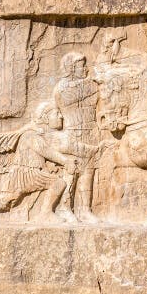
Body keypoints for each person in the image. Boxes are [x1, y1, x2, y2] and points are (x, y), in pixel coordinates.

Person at [0, 102, 97, 223]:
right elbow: (46, 151)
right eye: (56, 113)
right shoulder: (32, 135)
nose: (61, 116)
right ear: (46, 118)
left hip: (25, 173)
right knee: (58, 183)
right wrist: (65, 161)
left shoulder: (38, 134)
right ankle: (45, 213)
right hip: (28, 173)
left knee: (8, 199)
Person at [53, 52, 101, 222]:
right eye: (82, 65)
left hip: (90, 131)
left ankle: (85, 210)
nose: (85, 68)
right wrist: (95, 82)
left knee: (88, 172)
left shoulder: (89, 85)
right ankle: (65, 207)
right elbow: (74, 97)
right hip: (73, 133)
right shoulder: (62, 87)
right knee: (71, 172)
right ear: (71, 68)